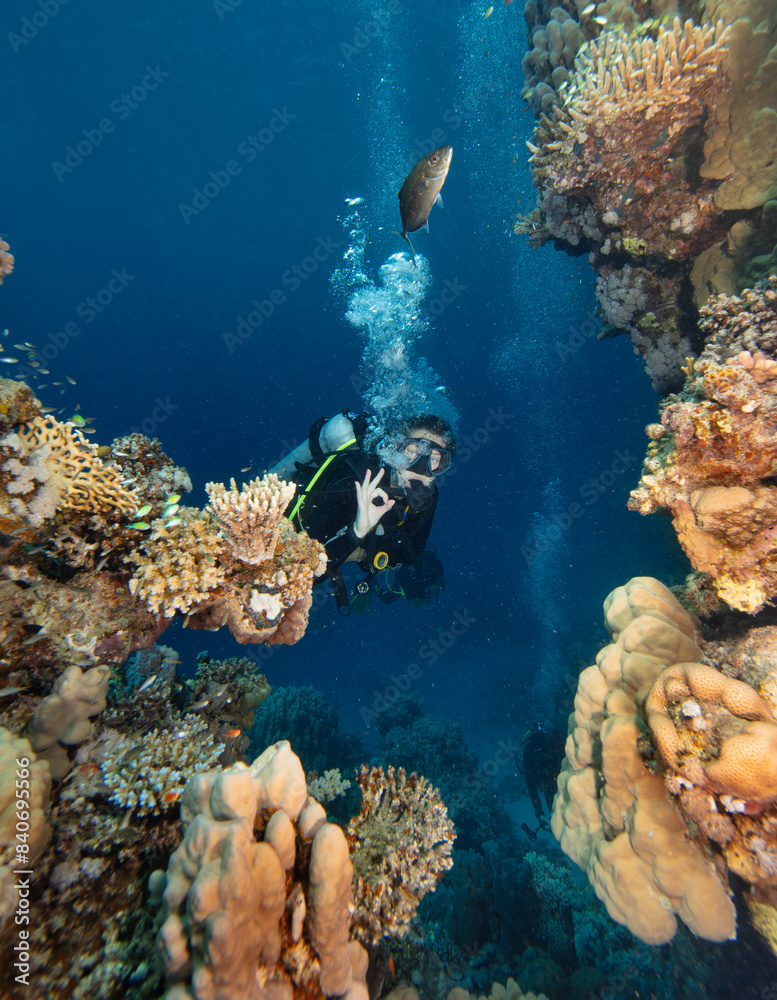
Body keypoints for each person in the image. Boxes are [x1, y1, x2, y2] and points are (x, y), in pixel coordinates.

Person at [270, 410, 455, 613]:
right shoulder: (354, 483)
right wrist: (356, 533)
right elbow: (302, 575)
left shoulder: (428, 492)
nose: (421, 468)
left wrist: (365, 550)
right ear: (395, 449)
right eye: (411, 452)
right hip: (281, 535)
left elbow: (411, 555)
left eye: (436, 459)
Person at [517, 723, 567, 842]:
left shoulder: (550, 752)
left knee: (550, 788)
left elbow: (533, 789)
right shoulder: (530, 758)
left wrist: (543, 814)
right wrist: (541, 815)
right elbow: (533, 788)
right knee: (549, 788)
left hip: (555, 774)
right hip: (551, 776)